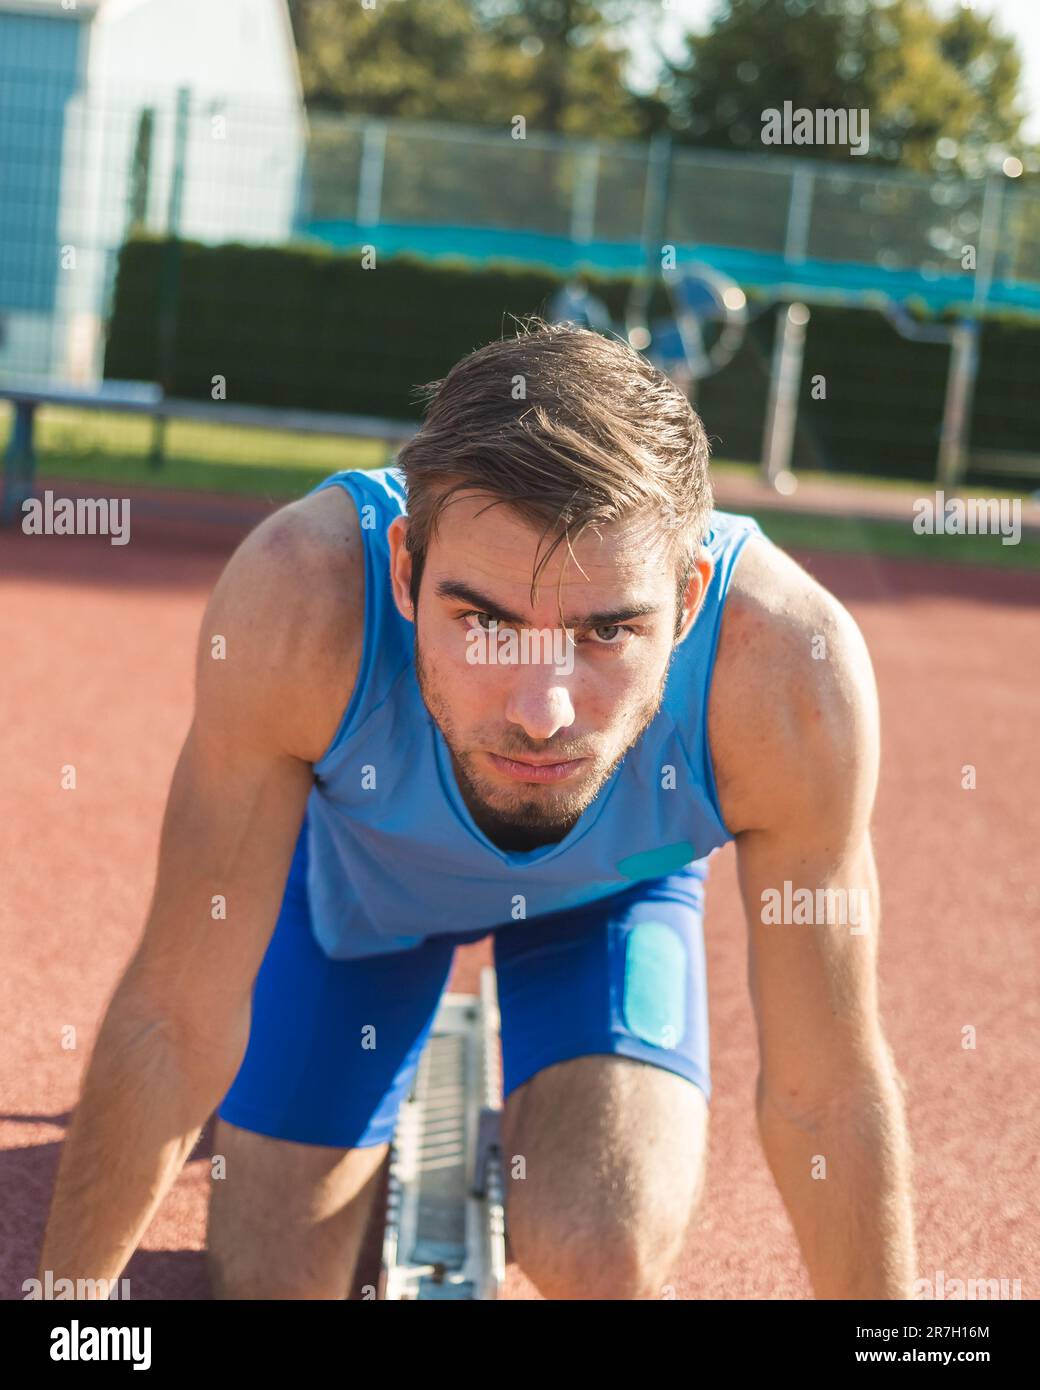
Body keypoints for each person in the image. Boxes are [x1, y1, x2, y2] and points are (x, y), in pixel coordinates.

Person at [37, 322, 915, 1300]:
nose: (542, 711)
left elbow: (824, 1086)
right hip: (359, 901)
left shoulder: (792, 674)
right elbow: (174, 1012)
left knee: (601, 1250)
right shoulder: (298, 597)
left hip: (607, 895)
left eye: (607, 630)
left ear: (688, 594)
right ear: (405, 571)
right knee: (269, 1284)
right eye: (487, 621)